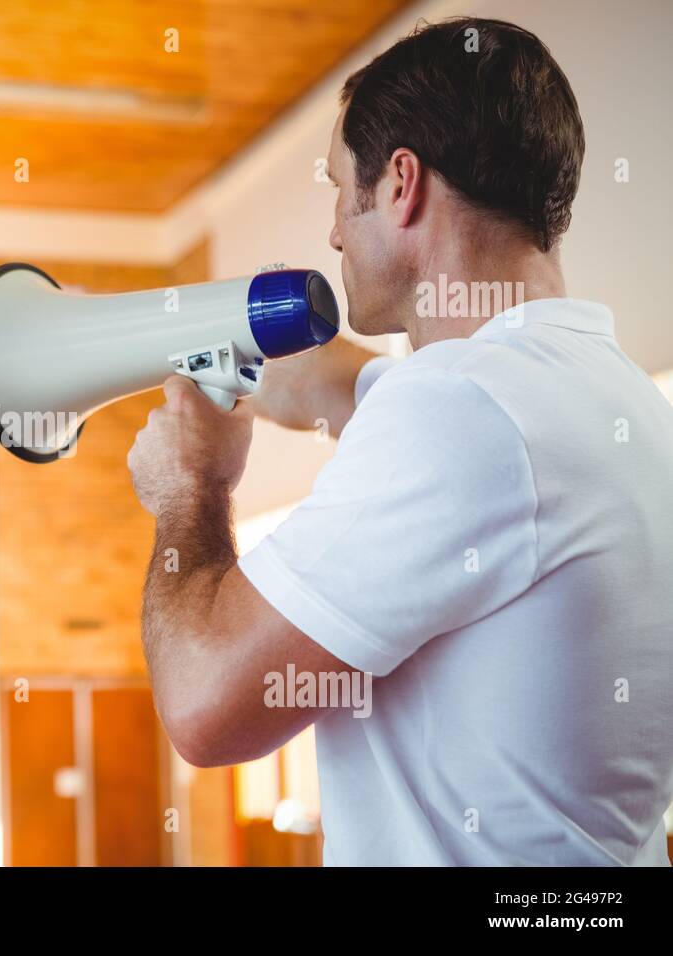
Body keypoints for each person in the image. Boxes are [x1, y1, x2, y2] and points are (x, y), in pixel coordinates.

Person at [127, 17, 673, 865]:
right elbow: (352, 391)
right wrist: (213, 339)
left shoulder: (457, 413)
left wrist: (188, 489)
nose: (336, 233)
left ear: (402, 185)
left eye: (342, 189)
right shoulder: (614, 398)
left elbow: (202, 705)